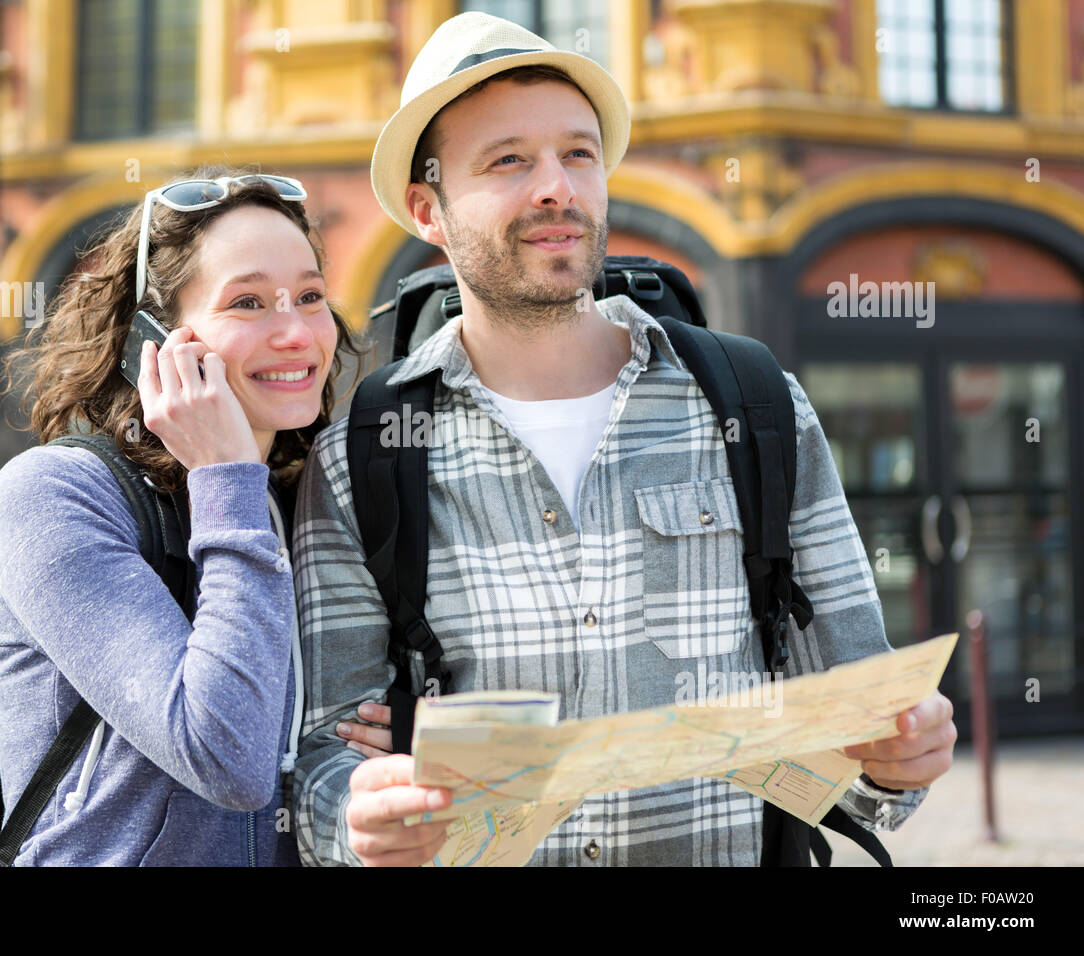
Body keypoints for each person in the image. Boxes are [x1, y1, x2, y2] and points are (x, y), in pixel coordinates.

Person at [291, 13, 957, 866]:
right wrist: (353, 817)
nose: (555, 188)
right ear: (428, 209)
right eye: (508, 161)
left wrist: (898, 763)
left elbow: (856, 716)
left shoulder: (756, 407)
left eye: (578, 154)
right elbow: (320, 757)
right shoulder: (364, 455)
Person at [0, 167, 362, 865]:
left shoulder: (303, 499)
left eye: (309, 296)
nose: (296, 333)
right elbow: (227, 758)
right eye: (247, 302)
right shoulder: (53, 496)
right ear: (153, 341)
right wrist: (225, 477)